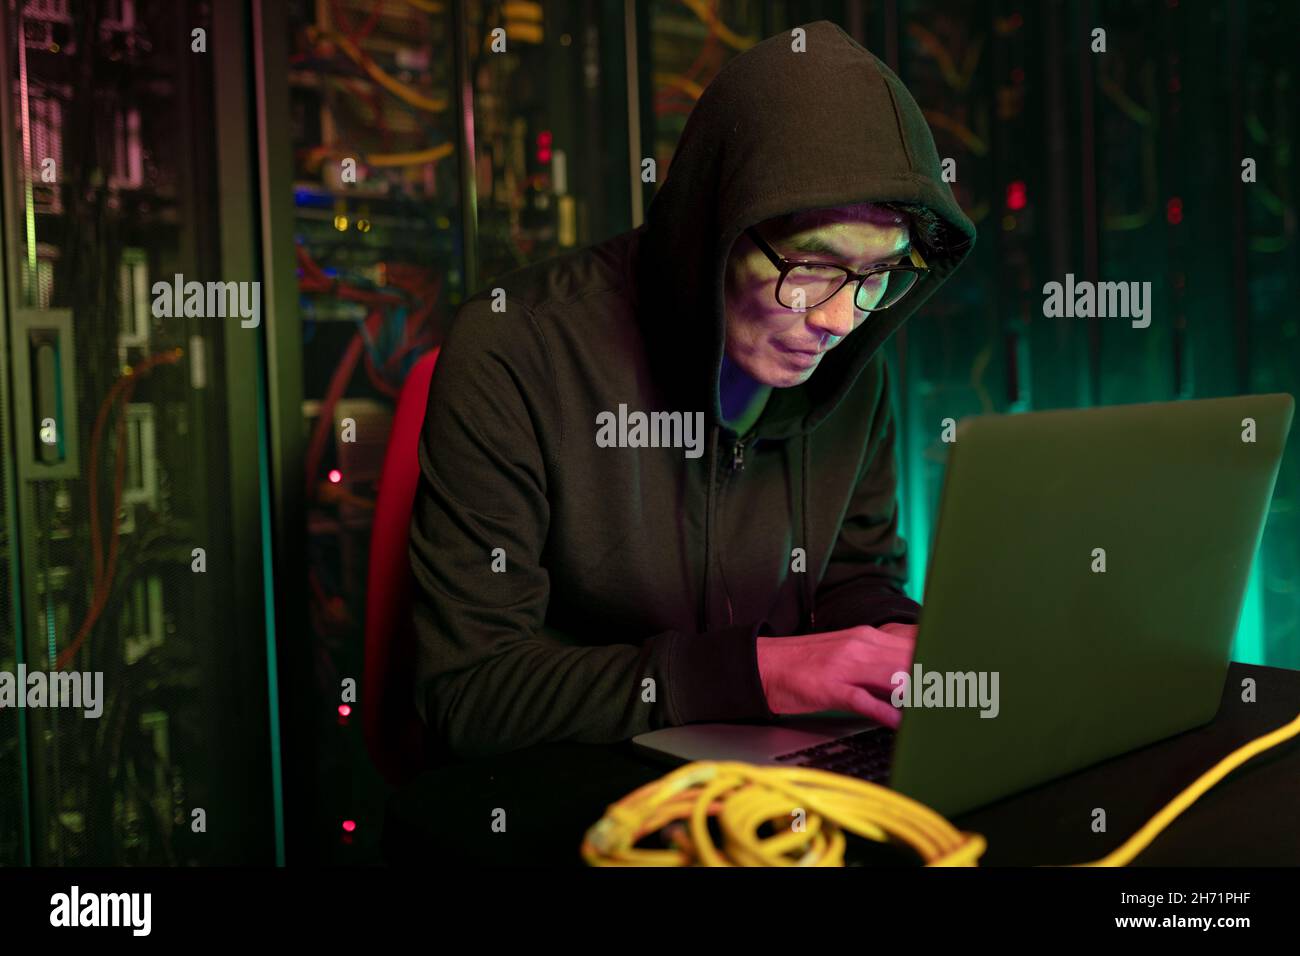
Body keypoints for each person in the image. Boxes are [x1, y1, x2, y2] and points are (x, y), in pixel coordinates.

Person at [410, 20, 976, 759]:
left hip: (768, 782)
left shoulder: (851, 362)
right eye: (809, 266)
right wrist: (757, 675)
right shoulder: (516, 352)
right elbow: (468, 690)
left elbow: (852, 573)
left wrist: (892, 642)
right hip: (571, 793)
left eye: (879, 275)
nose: (840, 318)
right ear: (708, 232)